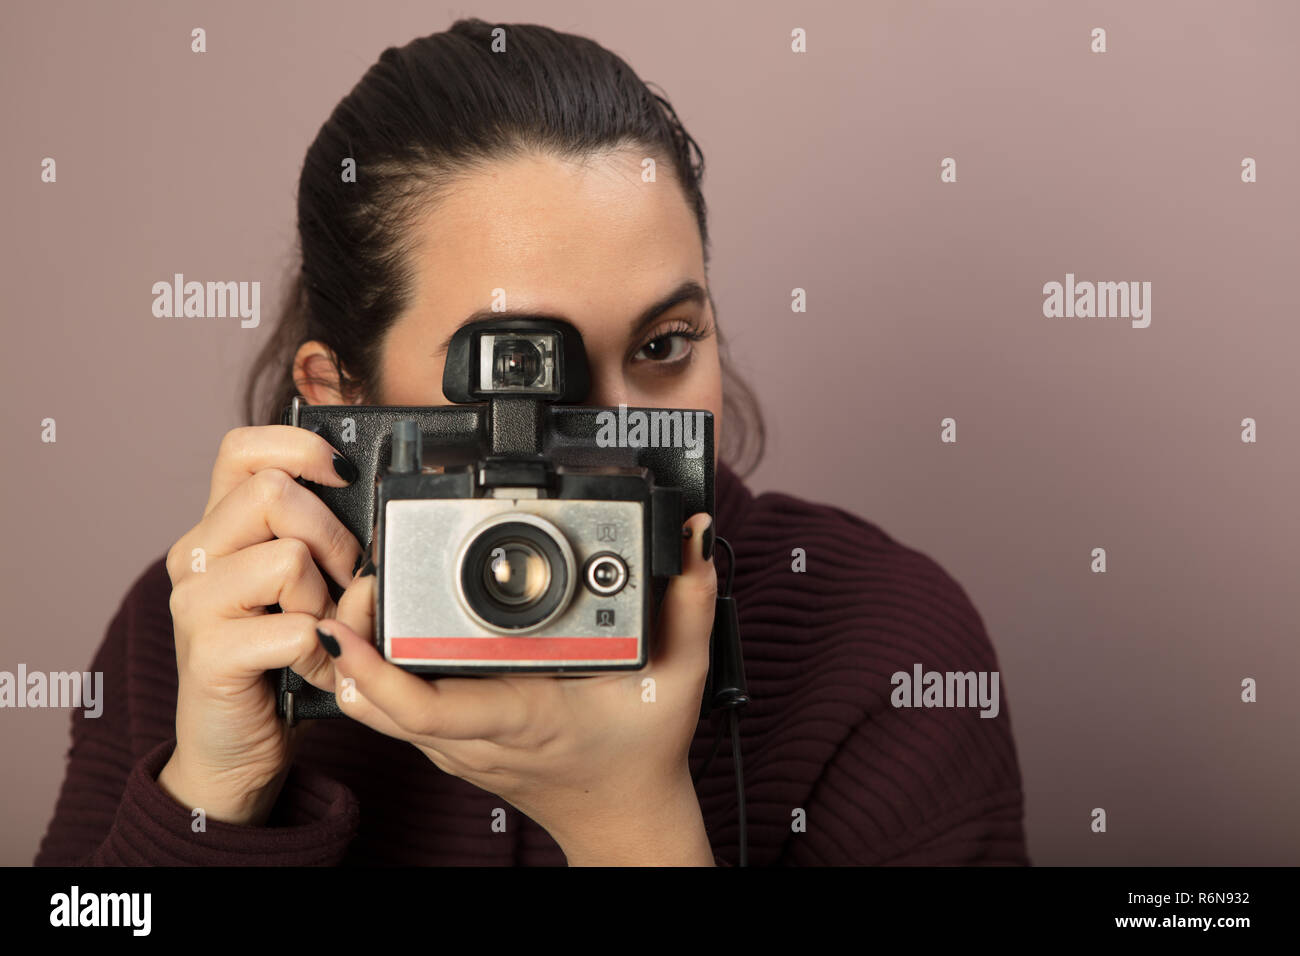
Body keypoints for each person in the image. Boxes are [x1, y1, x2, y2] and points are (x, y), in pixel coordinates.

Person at [35, 18, 1028, 866]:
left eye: (662, 345)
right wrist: (212, 792)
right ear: (340, 397)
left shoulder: (879, 640)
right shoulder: (217, 629)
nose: (602, 438)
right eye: (512, 372)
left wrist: (627, 820)